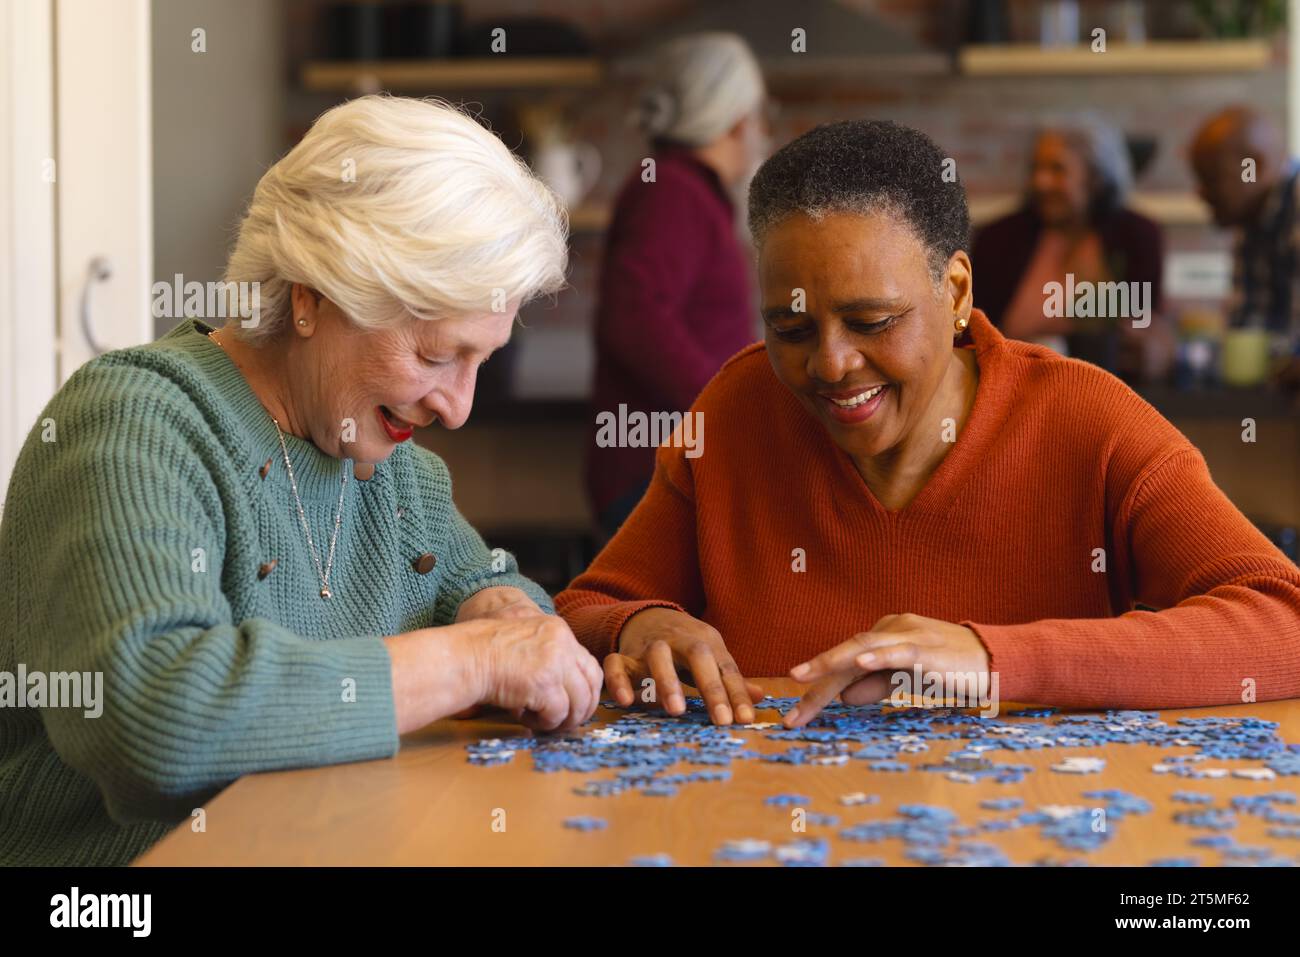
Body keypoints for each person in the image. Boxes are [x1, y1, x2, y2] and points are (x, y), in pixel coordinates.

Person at [0, 95, 603, 866]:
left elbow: (501, 597)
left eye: (479, 361)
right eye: (435, 355)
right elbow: (153, 715)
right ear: (312, 297)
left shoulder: (401, 475)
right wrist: (474, 660)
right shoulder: (132, 423)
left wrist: (505, 612)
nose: (458, 408)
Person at [556, 120, 1300, 729]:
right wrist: (641, 625)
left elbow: (1284, 619)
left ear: (957, 292)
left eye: (872, 321)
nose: (831, 364)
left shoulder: (1089, 421)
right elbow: (586, 607)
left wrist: (991, 658)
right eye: (791, 327)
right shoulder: (735, 412)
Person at [587, 32, 769, 536]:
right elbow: (633, 320)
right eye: (758, 116)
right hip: (654, 475)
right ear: (738, 121)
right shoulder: (672, 192)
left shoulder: (680, 188)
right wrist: (728, 404)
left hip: (668, 468)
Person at [972, 117, 1170, 382]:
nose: (1040, 182)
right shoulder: (998, 238)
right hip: (1012, 386)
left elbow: (1147, 329)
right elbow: (974, 330)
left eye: (1057, 169)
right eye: (1036, 168)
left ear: (1095, 178)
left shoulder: (1136, 236)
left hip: (1109, 389)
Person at [1190, 105, 1300, 390]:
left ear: (1254, 167)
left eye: (1211, 178)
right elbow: (1249, 344)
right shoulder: (1251, 225)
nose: (1199, 193)